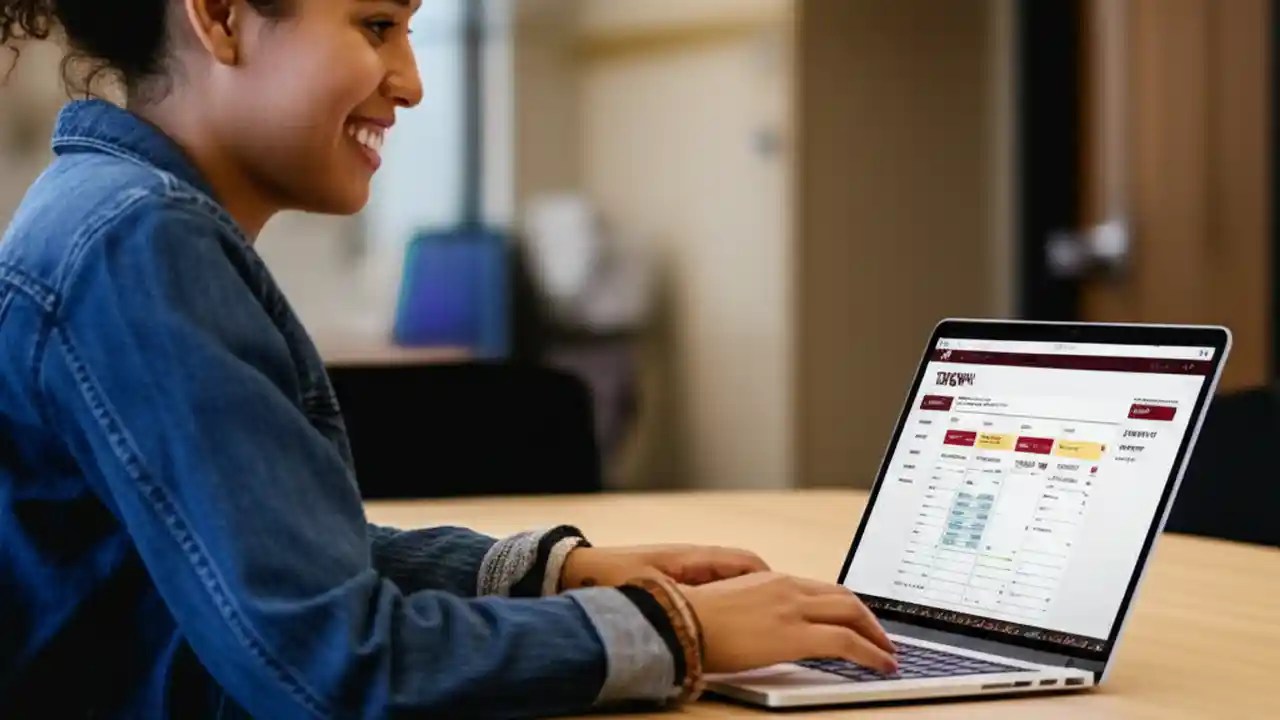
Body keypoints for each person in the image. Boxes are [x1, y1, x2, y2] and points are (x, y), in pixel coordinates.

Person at [0, 1, 898, 717]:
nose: (414, 82)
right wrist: (675, 630)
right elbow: (336, 667)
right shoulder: (142, 241)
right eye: (377, 26)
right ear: (221, 16)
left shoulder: (107, 212)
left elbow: (284, 560)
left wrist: (557, 573)